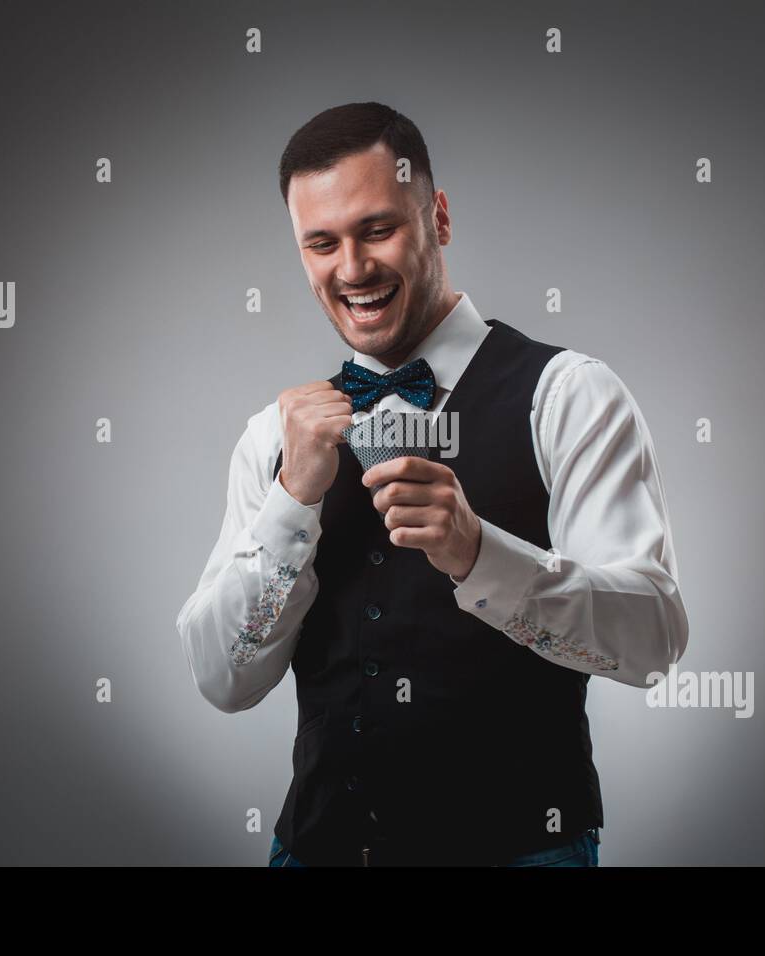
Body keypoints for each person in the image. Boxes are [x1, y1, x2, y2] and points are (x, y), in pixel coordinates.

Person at [176, 102, 689, 866]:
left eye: (377, 229)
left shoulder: (569, 395)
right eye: (322, 243)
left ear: (438, 218)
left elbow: (651, 639)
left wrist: (481, 552)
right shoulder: (272, 439)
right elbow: (224, 678)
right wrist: (293, 499)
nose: (351, 269)